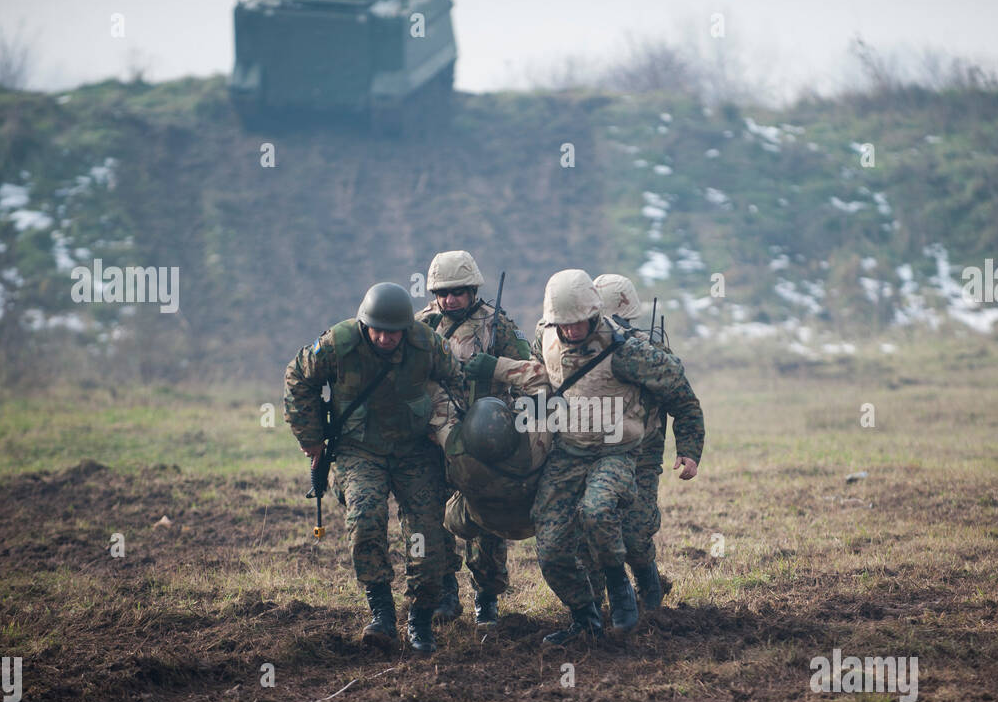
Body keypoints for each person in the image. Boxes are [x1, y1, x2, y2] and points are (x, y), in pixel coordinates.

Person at [504, 269, 704, 645]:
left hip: (623, 449)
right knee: (553, 546)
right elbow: (538, 376)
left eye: (580, 322)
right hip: (569, 450)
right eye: (565, 324)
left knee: (608, 518)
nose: (573, 330)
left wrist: (689, 448)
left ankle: (628, 585)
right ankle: (587, 617)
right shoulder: (546, 337)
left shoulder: (628, 349)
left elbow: (679, 389)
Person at [283, 281, 463, 654]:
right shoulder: (339, 343)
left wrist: (446, 428)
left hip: (415, 450)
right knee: (365, 519)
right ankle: (381, 611)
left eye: (392, 332)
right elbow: (298, 377)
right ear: (365, 324)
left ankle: (420, 618)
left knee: (427, 536)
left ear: (405, 330)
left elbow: (458, 381)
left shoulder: (427, 344)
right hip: (358, 449)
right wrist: (311, 438)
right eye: (377, 330)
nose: (384, 338)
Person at [416, 250, 531, 630]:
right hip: (432, 438)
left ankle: (487, 596)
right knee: (431, 519)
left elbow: (529, 374)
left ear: (473, 290)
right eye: (443, 293)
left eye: (458, 292)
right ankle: (444, 592)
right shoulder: (420, 326)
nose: (449, 300)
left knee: (483, 518)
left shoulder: (497, 327)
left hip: (483, 441)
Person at [591, 273, 700, 609]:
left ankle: (649, 586)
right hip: (592, 455)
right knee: (591, 530)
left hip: (641, 458)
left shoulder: (647, 354)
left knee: (635, 535)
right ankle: (593, 608)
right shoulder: (579, 349)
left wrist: (689, 450)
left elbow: (683, 402)